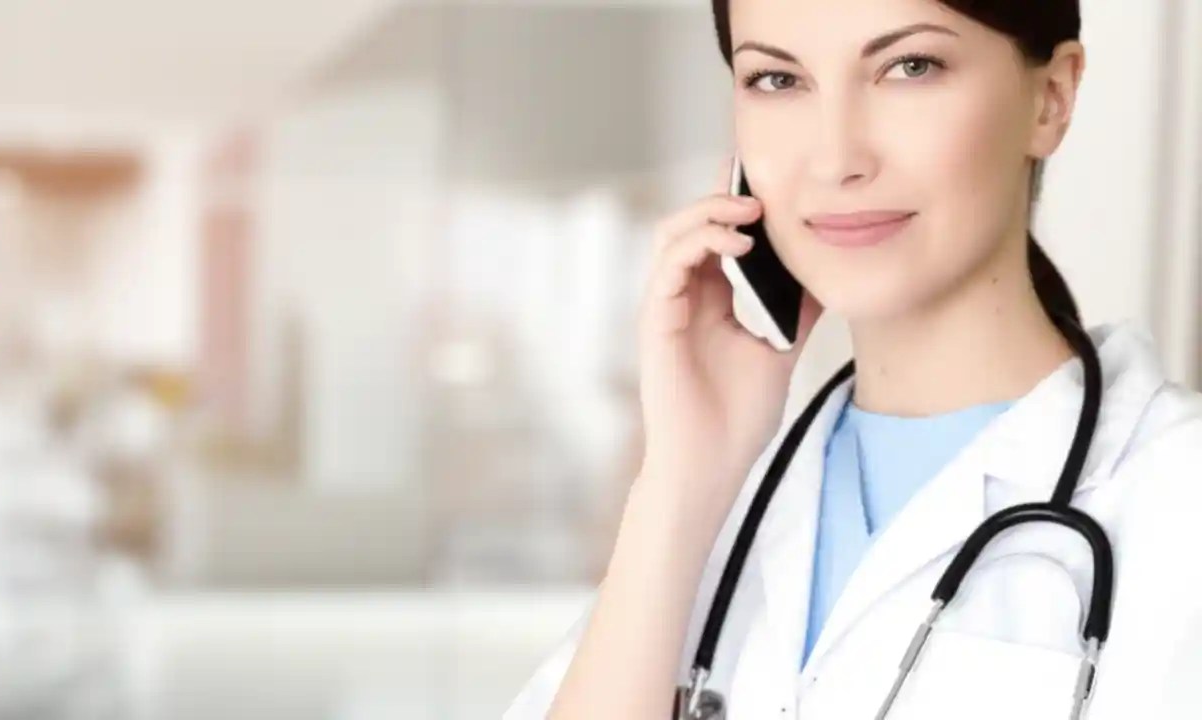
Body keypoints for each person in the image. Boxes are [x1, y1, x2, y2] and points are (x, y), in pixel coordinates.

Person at [504, 0, 1202, 717]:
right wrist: (679, 486)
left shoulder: (1176, 501)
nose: (836, 159)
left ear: (1051, 98)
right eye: (778, 80)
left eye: (911, 67)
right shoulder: (723, 502)